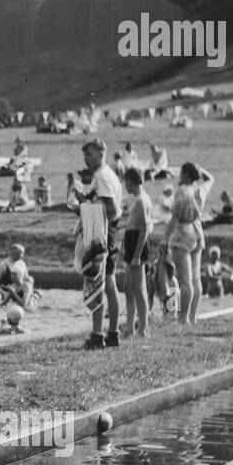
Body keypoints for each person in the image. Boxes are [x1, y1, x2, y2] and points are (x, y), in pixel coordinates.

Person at [71, 137, 122, 349]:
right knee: (109, 283)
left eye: (90, 155)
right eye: (84, 157)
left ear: (101, 153)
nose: (86, 160)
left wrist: (83, 207)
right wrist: (84, 201)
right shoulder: (109, 175)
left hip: (102, 232)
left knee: (97, 283)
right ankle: (112, 333)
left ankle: (97, 334)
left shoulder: (101, 176)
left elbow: (110, 209)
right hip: (110, 232)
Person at [163, 161, 214, 327]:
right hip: (198, 231)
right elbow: (210, 178)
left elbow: (175, 218)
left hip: (183, 233)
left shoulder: (182, 191)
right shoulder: (200, 189)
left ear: (185, 174)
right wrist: (200, 169)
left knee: (185, 280)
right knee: (195, 279)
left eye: (181, 171)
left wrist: (165, 238)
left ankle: (182, 318)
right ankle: (192, 316)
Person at [120, 167, 151, 339]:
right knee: (128, 288)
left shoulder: (141, 201)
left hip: (137, 248)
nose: (125, 186)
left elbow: (145, 228)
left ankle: (143, 328)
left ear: (131, 182)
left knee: (139, 289)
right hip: (131, 246)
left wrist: (137, 255)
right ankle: (129, 327)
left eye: (126, 182)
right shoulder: (139, 199)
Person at [0, 243, 36, 308]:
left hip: (23, 292)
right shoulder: (3, 265)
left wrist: (30, 279)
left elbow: (26, 277)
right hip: (10, 293)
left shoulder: (22, 263)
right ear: (13, 253)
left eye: (23, 253)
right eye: (21, 253)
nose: (22, 256)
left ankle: (30, 297)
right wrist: (3, 293)